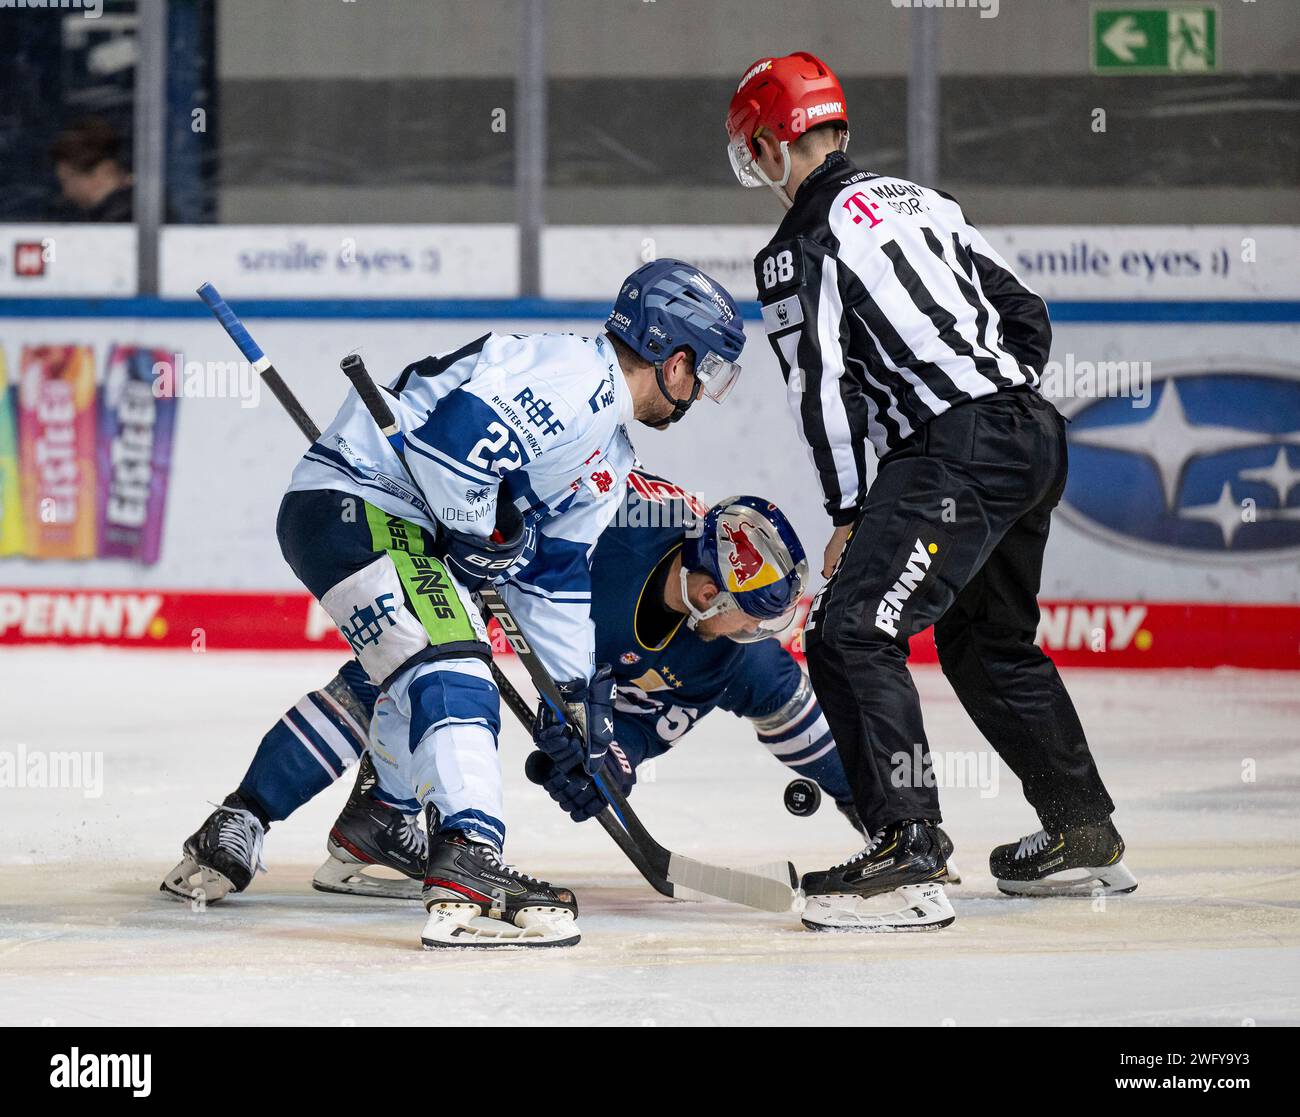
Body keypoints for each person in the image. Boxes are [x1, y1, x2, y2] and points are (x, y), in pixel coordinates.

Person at [163, 260, 746, 949]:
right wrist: (479, 530)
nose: (701, 393)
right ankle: (469, 860)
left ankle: (248, 827)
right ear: (674, 359)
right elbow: (453, 449)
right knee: (455, 663)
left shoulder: (609, 454)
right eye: (707, 374)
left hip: (383, 518)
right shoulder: (573, 377)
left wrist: (580, 712)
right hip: (365, 499)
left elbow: (554, 577)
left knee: (392, 679)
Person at [725, 52, 1133, 933]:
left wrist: (848, 509)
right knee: (988, 643)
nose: (755, 167)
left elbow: (821, 389)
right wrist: (991, 393)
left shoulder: (798, 246)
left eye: (755, 149)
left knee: (849, 628)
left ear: (770, 143)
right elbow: (1026, 311)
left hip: (953, 453)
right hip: (1030, 431)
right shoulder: (923, 200)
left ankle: (906, 848)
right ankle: (1082, 828)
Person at [164, 475, 960, 905]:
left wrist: (597, 763)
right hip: (485, 566)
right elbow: (525, 506)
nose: (758, 632)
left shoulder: (737, 660)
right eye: (750, 614)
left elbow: (776, 739)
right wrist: (585, 727)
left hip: (560, 630)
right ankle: (245, 817)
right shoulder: (622, 538)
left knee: (463, 699)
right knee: (399, 675)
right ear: (710, 582)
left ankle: (379, 819)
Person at [49, 117, 133, 222]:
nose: (66, 193)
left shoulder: (119, 222)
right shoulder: (148, 204)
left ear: (103, 172)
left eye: (68, 180)